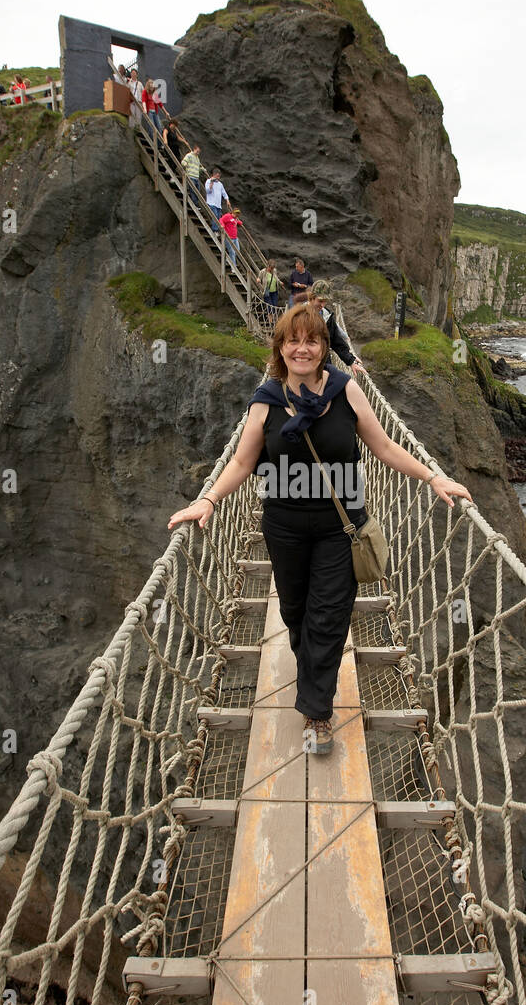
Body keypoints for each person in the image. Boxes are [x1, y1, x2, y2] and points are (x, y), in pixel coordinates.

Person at [167, 305, 472, 755]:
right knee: (296, 613)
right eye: (293, 340)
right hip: (283, 527)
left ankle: (316, 711)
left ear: (324, 348)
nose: (302, 348)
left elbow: (385, 446)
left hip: (340, 527)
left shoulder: (347, 392)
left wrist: (433, 477)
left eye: (311, 340)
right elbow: (241, 462)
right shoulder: (266, 400)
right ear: (281, 348)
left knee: (328, 617)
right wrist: (208, 499)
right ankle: (312, 672)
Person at [306, 280, 366, 377]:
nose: (322, 305)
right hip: (304, 364)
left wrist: (351, 360)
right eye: (320, 301)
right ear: (312, 298)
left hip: (324, 364)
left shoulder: (327, 316)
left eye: (325, 301)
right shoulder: (298, 316)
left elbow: (336, 341)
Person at [205, 169, 229, 235]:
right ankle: (214, 230)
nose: (218, 178)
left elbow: (224, 193)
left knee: (218, 217)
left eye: (219, 176)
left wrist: (227, 200)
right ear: (214, 175)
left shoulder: (220, 184)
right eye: (217, 176)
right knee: (215, 215)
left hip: (218, 204)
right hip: (211, 203)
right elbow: (207, 191)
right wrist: (211, 183)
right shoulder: (208, 181)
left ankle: (216, 230)